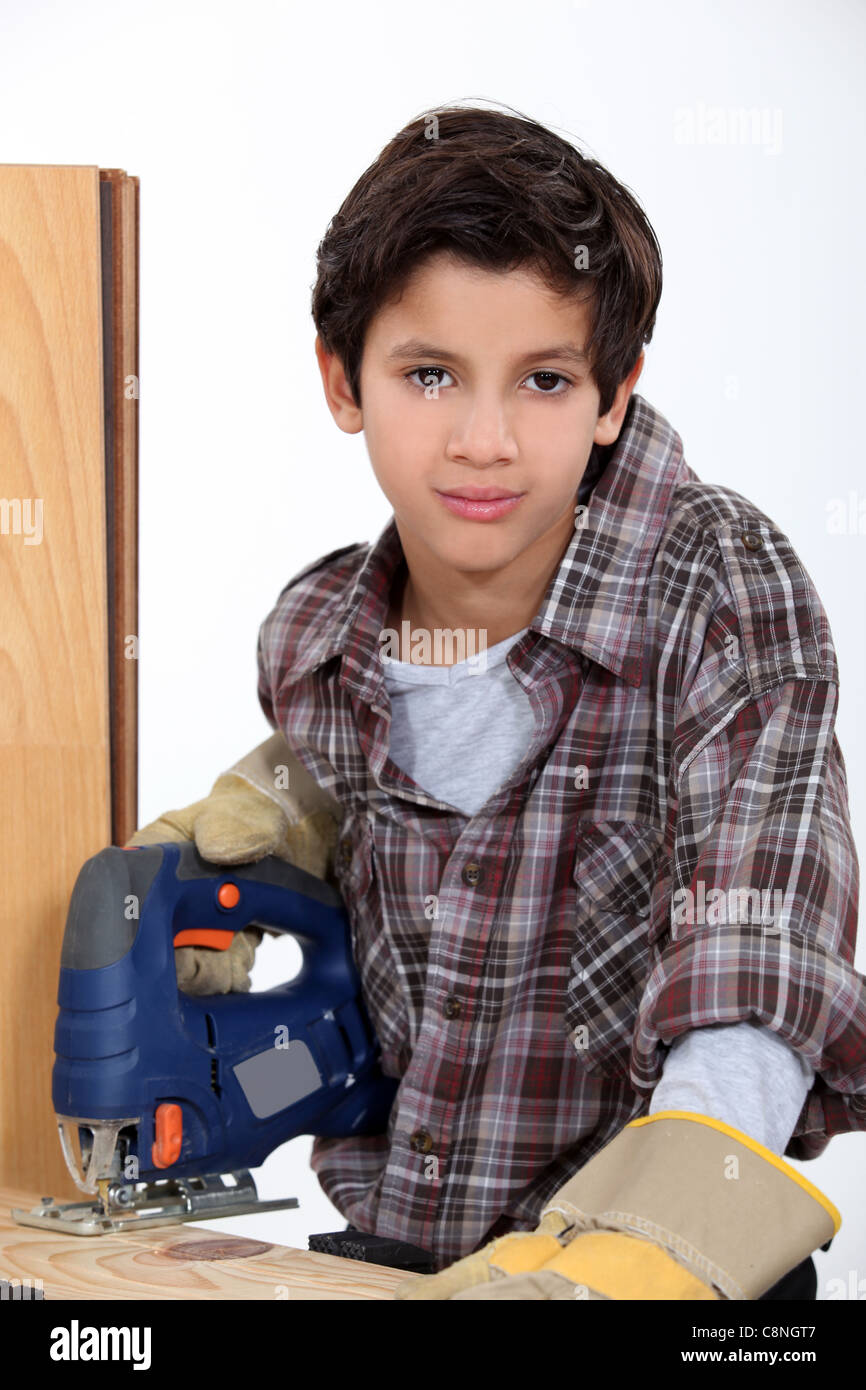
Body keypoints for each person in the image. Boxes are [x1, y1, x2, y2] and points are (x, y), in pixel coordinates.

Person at [130, 102, 865, 1299]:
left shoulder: (714, 588)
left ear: (613, 394)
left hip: (657, 1267)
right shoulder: (321, 638)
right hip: (398, 1260)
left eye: (542, 379)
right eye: (429, 374)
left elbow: (762, 930)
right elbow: (362, 765)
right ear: (342, 379)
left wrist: (651, 1246)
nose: (482, 438)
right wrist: (268, 819)